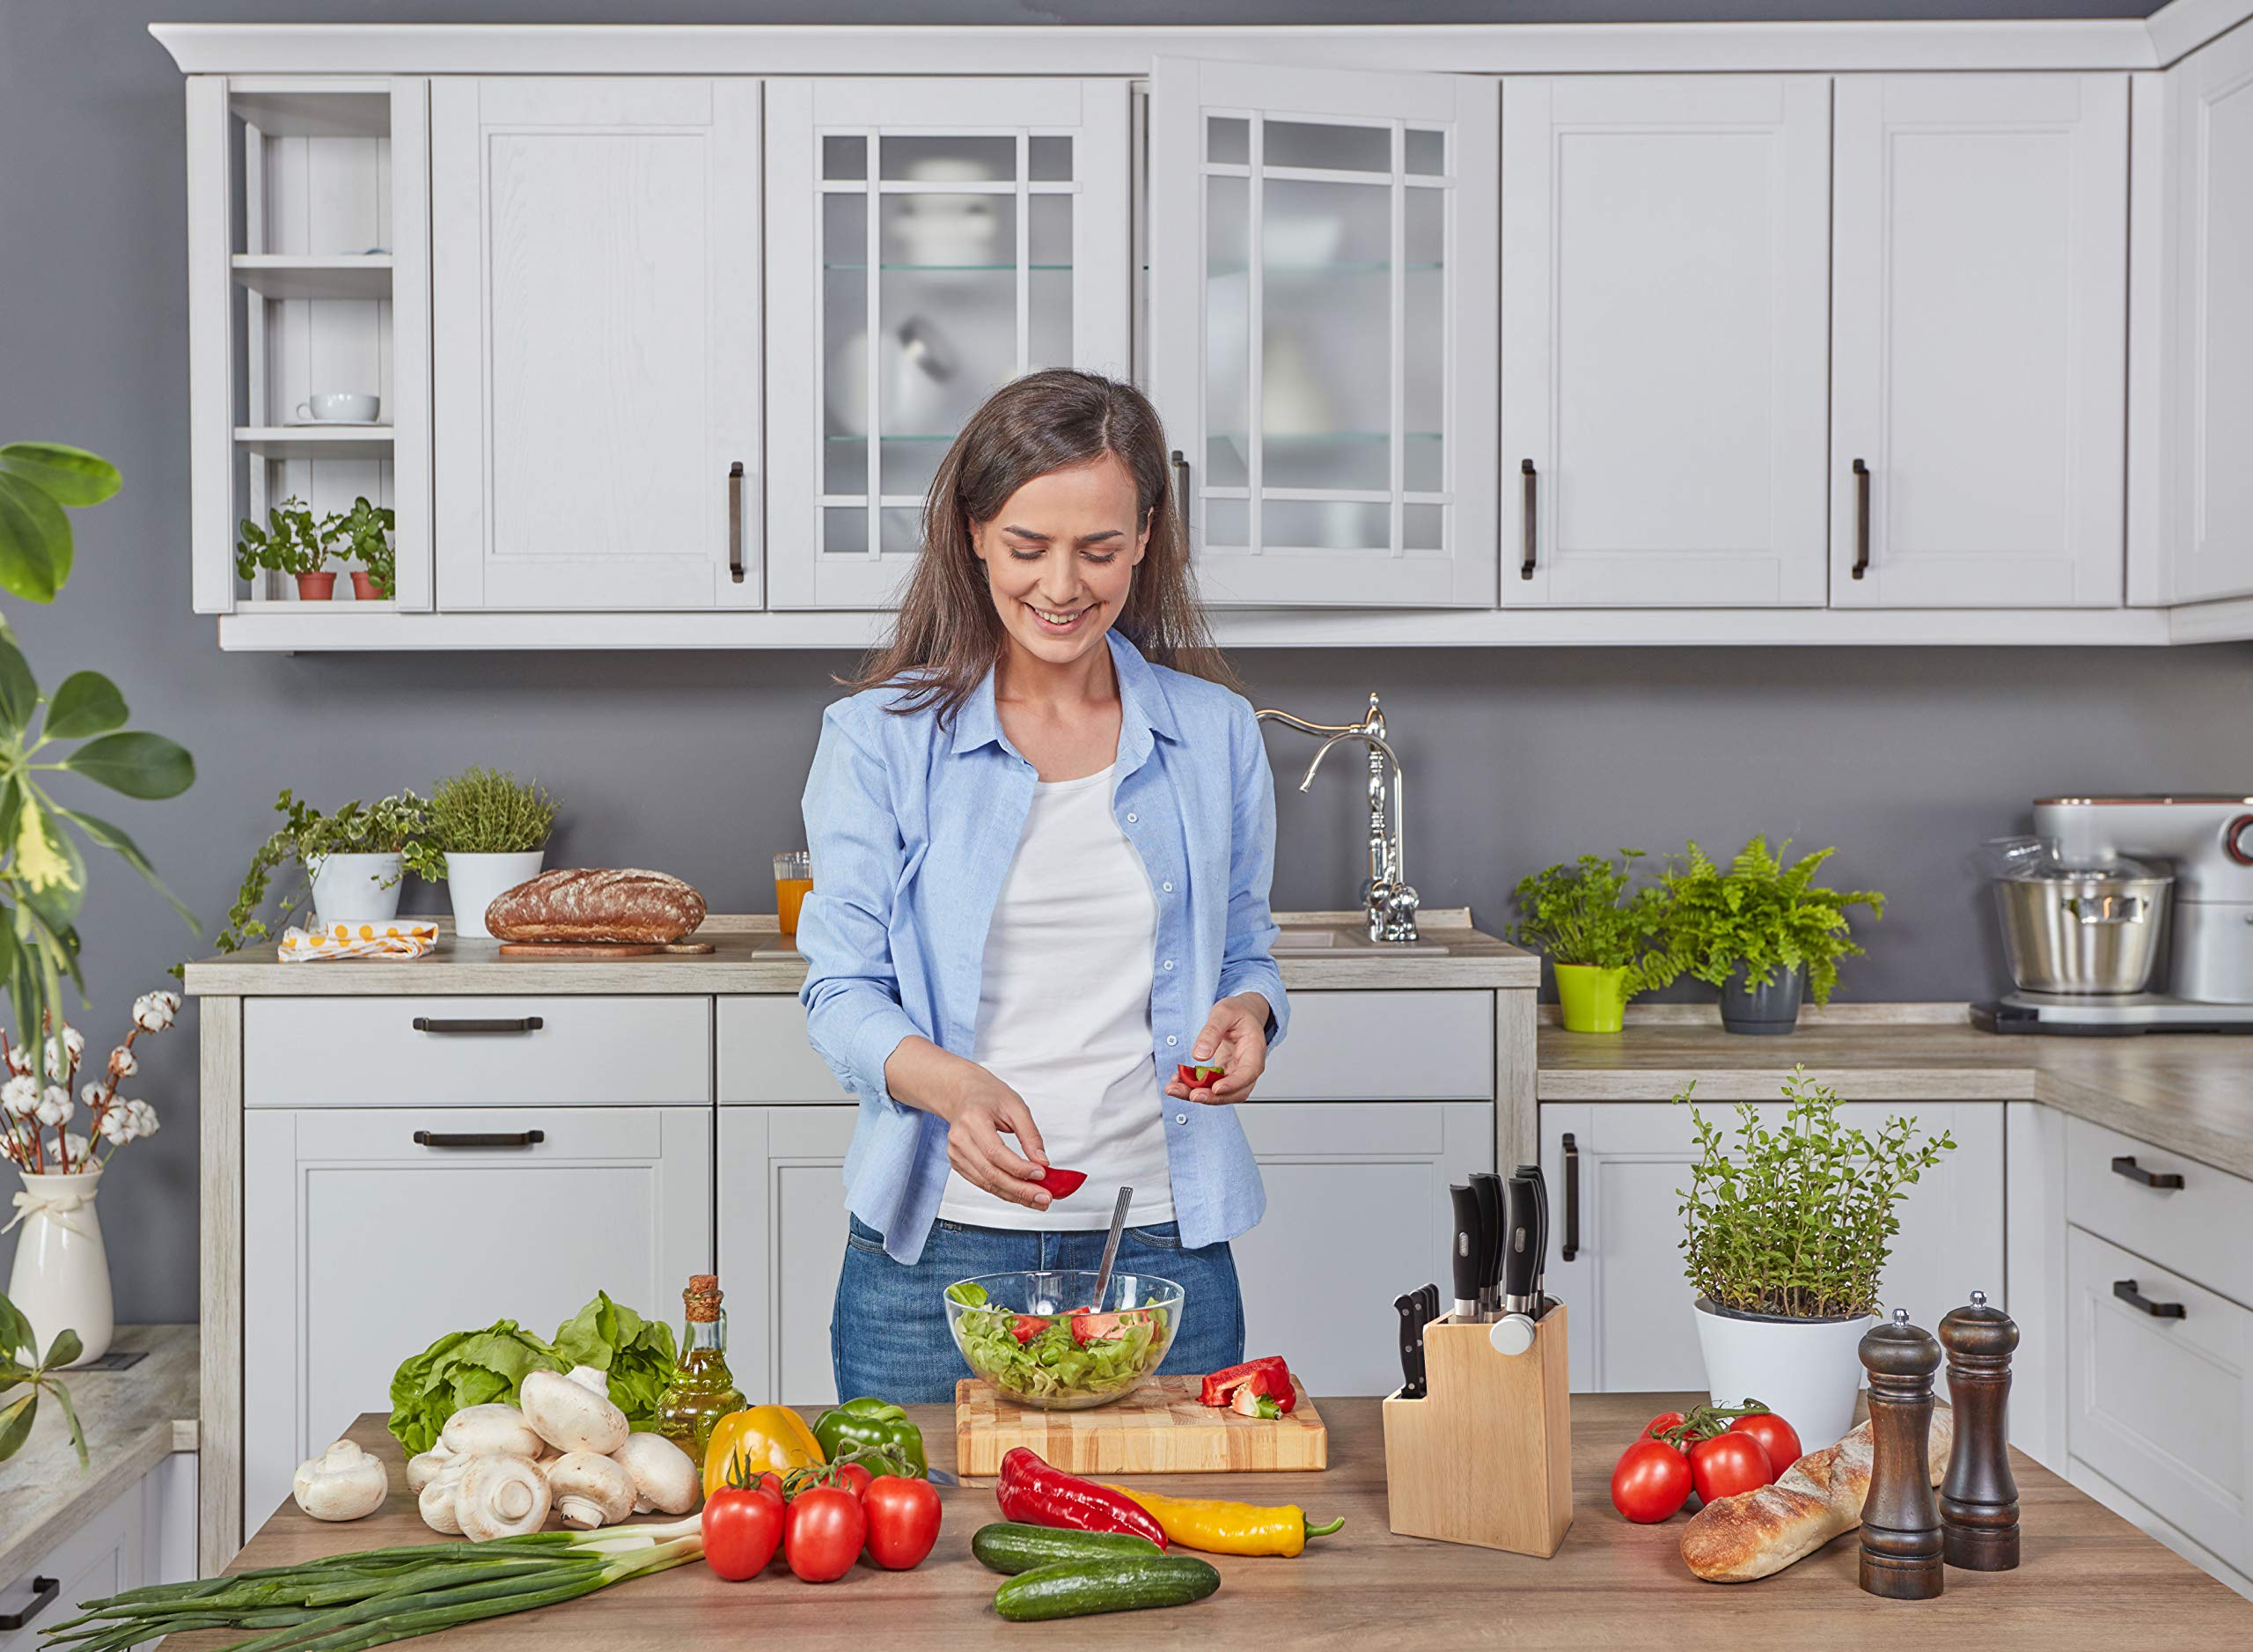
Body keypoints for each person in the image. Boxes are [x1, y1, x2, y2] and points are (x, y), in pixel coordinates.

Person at [796, 368, 1289, 1403]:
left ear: (1147, 536)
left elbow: (1245, 946)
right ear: (974, 532)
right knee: (922, 1555)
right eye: (1029, 547)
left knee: (1172, 1549)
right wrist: (953, 1087)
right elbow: (838, 993)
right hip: (933, 1255)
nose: (1063, 584)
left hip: (1163, 1241)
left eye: (1099, 548)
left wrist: (1249, 1011)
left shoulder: (1214, 734)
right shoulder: (878, 741)